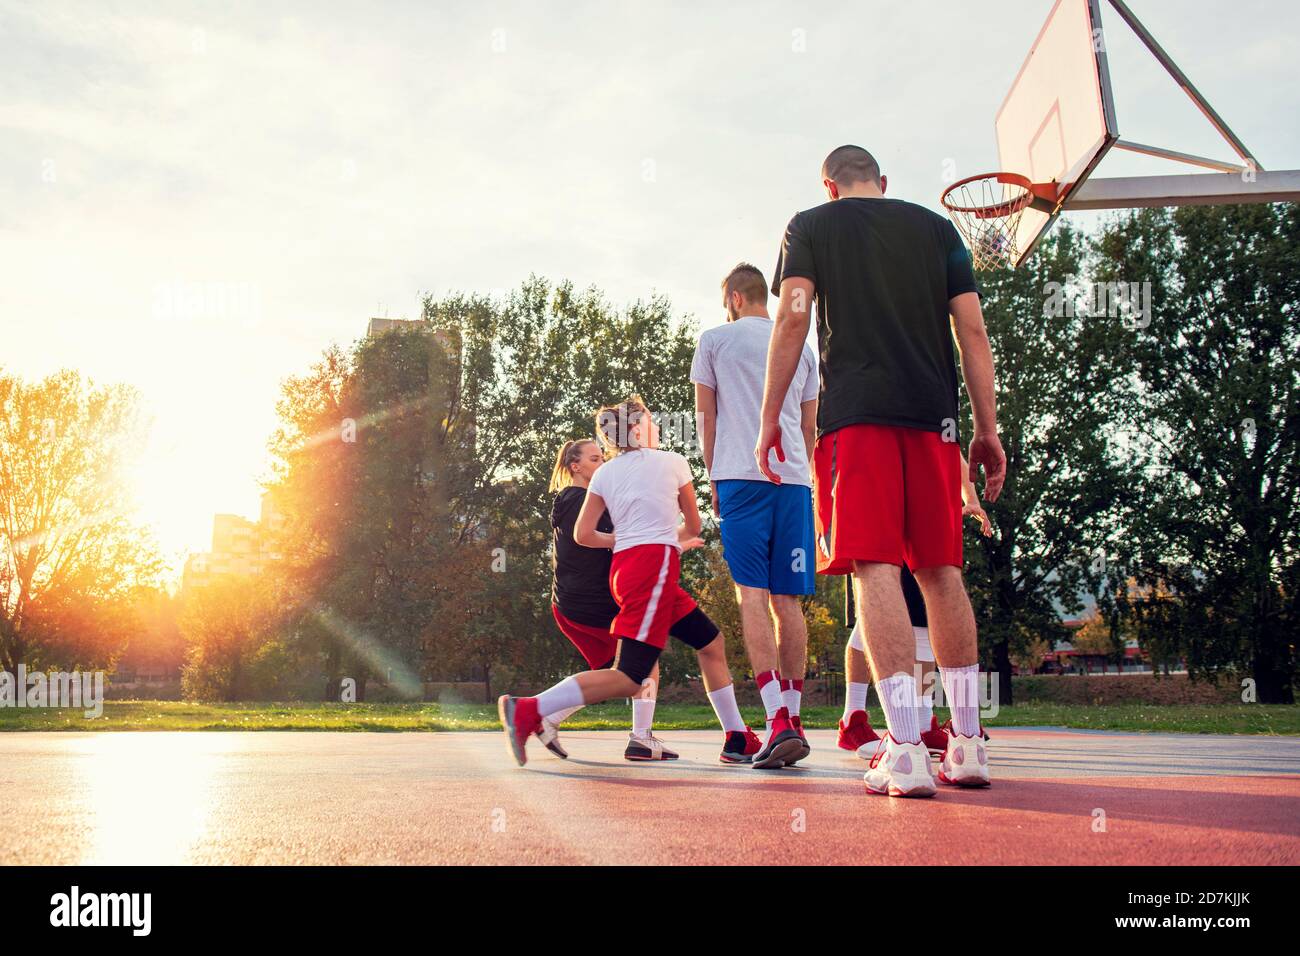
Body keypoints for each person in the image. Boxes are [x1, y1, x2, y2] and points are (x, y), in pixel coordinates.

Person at [757, 145, 1007, 798]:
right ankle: (969, 744)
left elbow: (792, 317)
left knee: (875, 565)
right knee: (941, 570)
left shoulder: (810, 225)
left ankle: (903, 749)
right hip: (935, 419)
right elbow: (973, 333)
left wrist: (769, 419)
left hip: (858, 417)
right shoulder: (937, 228)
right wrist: (986, 430)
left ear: (829, 186)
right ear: (883, 183)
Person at [501, 398, 760, 766]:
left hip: (630, 570)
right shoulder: (673, 462)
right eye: (652, 422)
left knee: (710, 641)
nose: (657, 427)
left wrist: (632, 539)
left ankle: (736, 737)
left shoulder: (606, 474)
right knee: (629, 677)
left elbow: (584, 534)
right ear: (638, 429)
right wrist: (666, 538)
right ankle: (528, 708)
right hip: (652, 569)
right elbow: (695, 526)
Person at [692, 262, 819, 770]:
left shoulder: (715, 340)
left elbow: (708, 417)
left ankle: (775, 721)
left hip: (740, 476)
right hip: (792, 481)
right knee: (788, 601)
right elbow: (810, 427)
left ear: (735, 299)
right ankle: (793, 716)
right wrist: (799, 474)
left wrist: (713, 473)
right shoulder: (802, 346)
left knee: (752, 595)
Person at [838, 455, 993, 758]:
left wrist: (970, 497)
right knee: (872, 616)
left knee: (917, 620)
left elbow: (949, 444)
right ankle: (857, 716)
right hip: (874, 493)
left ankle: (918, 722)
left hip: (920, 501)